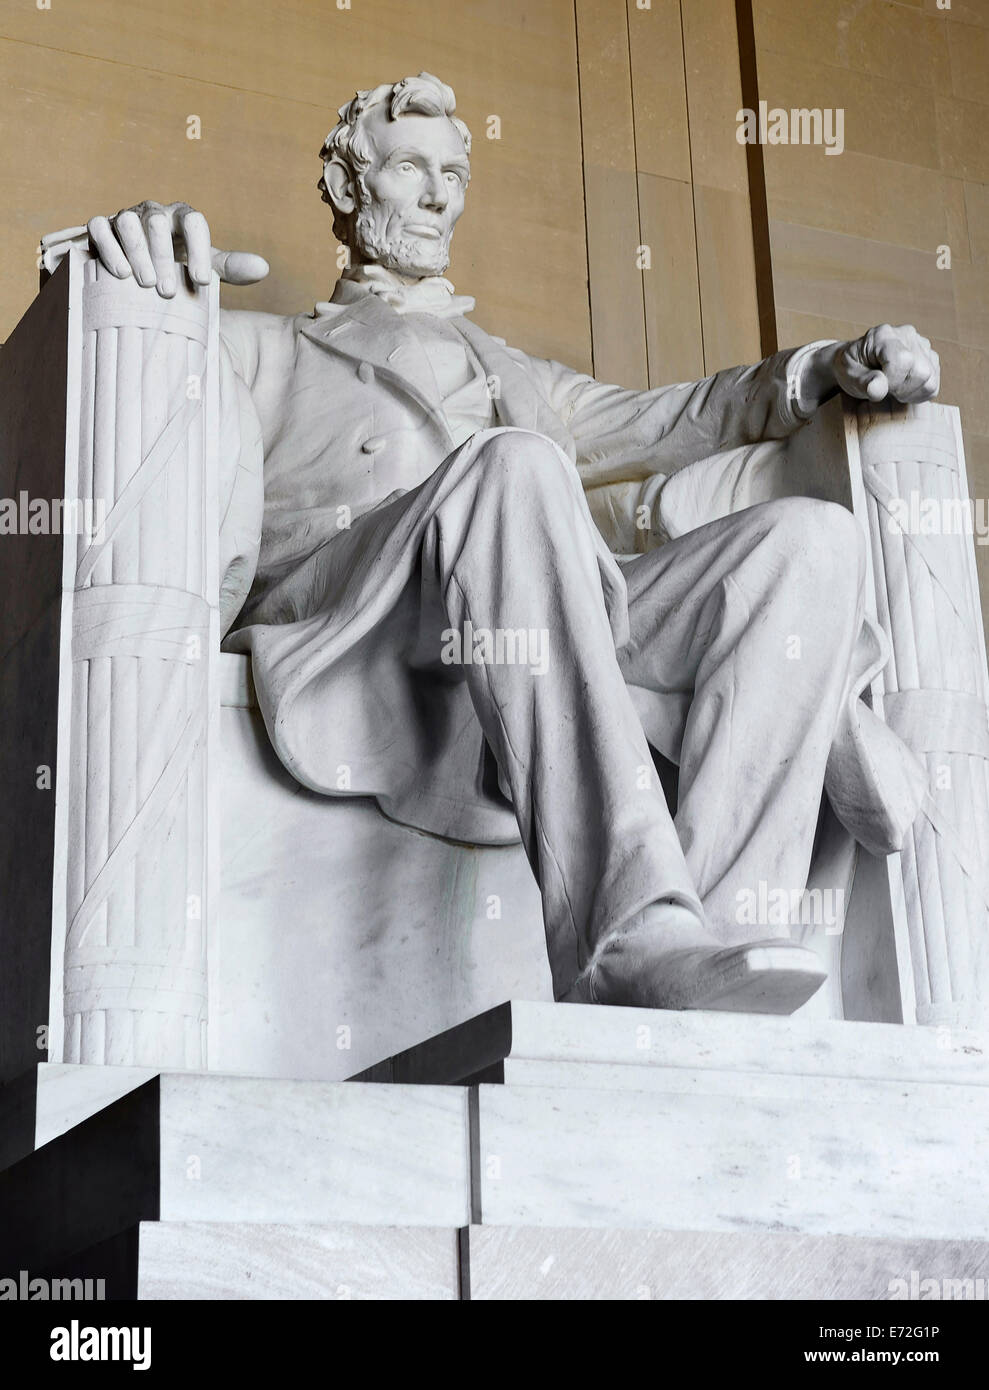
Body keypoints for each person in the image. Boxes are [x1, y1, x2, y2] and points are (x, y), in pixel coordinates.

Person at [71, 72, 937, 1014]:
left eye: (454, 172)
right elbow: (104, 337)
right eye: (410, 168)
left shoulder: (518, 375)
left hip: (536, 607)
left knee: (808, 542)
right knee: (516, 467)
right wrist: (130, 250)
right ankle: (625, 934)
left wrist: (825, 369)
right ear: (348, 189)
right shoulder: (257, 346)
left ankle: (719, 940)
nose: (441, 194)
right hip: (363, 612)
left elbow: (678, 415)